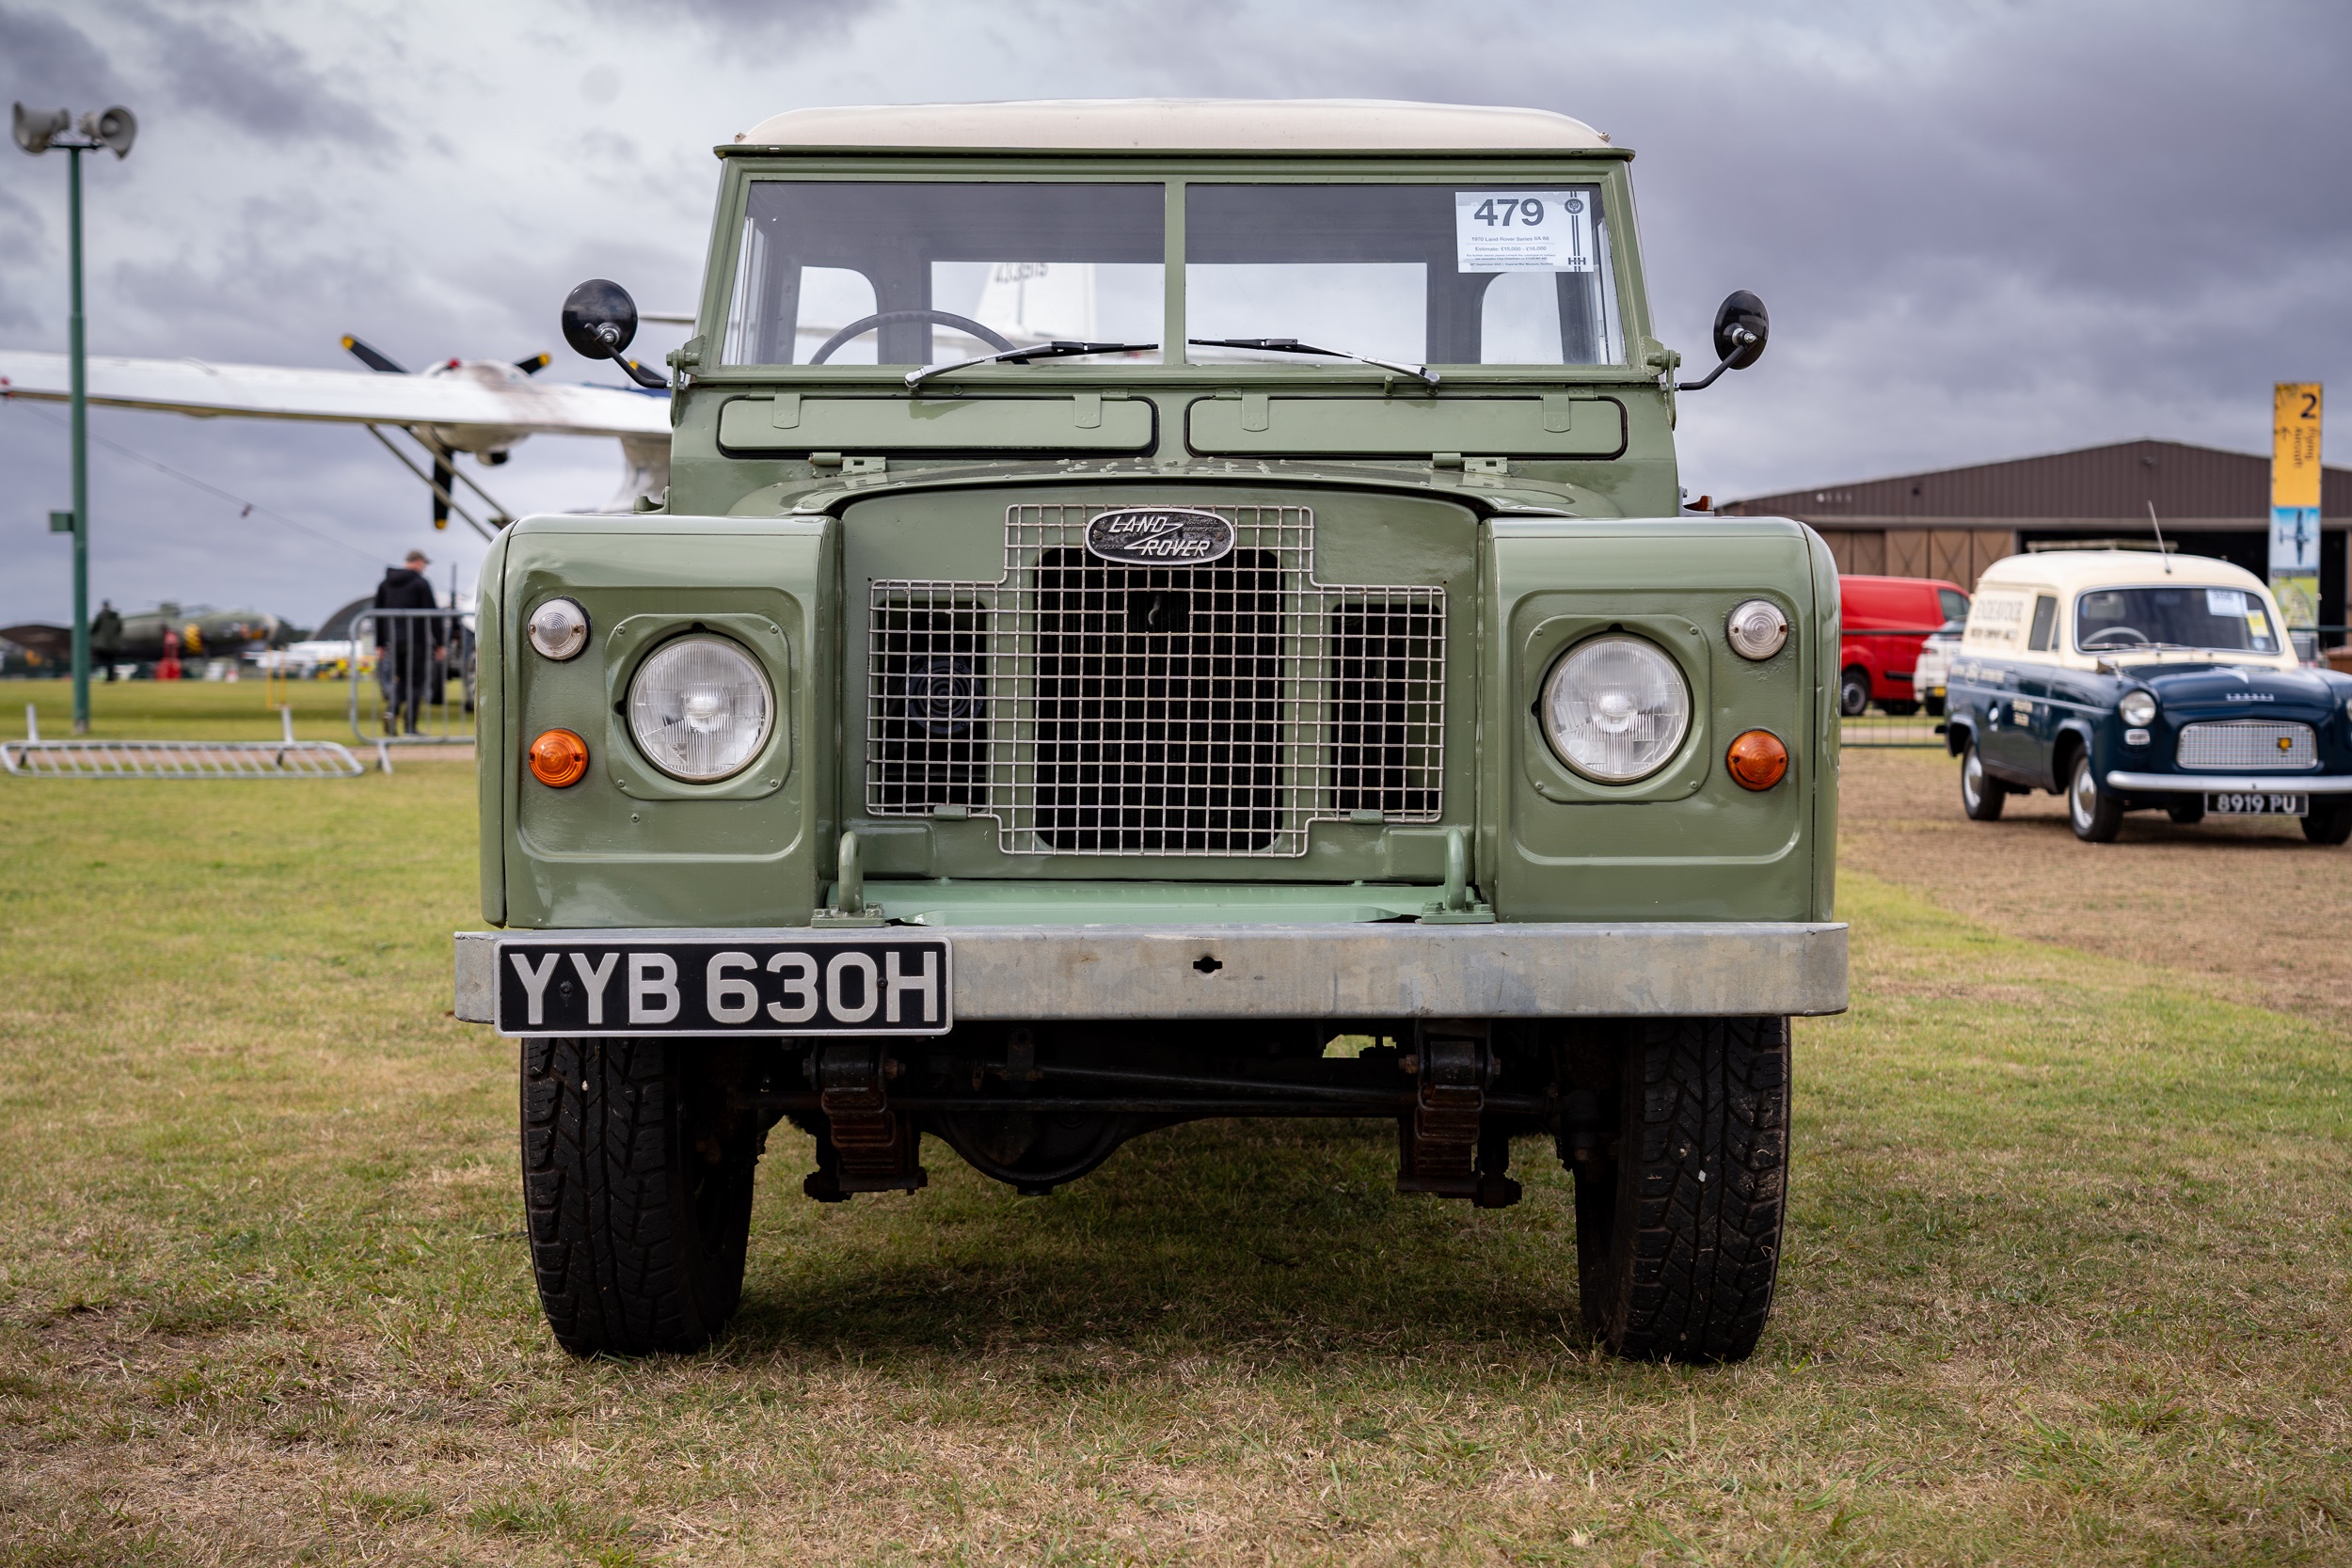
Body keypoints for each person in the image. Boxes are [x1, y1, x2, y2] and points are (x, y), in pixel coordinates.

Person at [373, 550, 446, 736]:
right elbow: (433, 613)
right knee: (416, 682)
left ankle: (392, 711)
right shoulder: (420, 583)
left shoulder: (385, 584)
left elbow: (378, 615)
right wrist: (439, 643)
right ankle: (410, 726)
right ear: (419, 562)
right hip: (417, 640)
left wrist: (379, 643)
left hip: (393, 641)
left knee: (401, 679)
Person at [89, 600, 121, 681]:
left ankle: (109, 677)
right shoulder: (115, 617)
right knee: (111, 661)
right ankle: (111, 677)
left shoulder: (101, 616)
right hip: (114, 644)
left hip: (102, 644)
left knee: (104, 660)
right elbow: (119, 629)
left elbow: (94, 628)